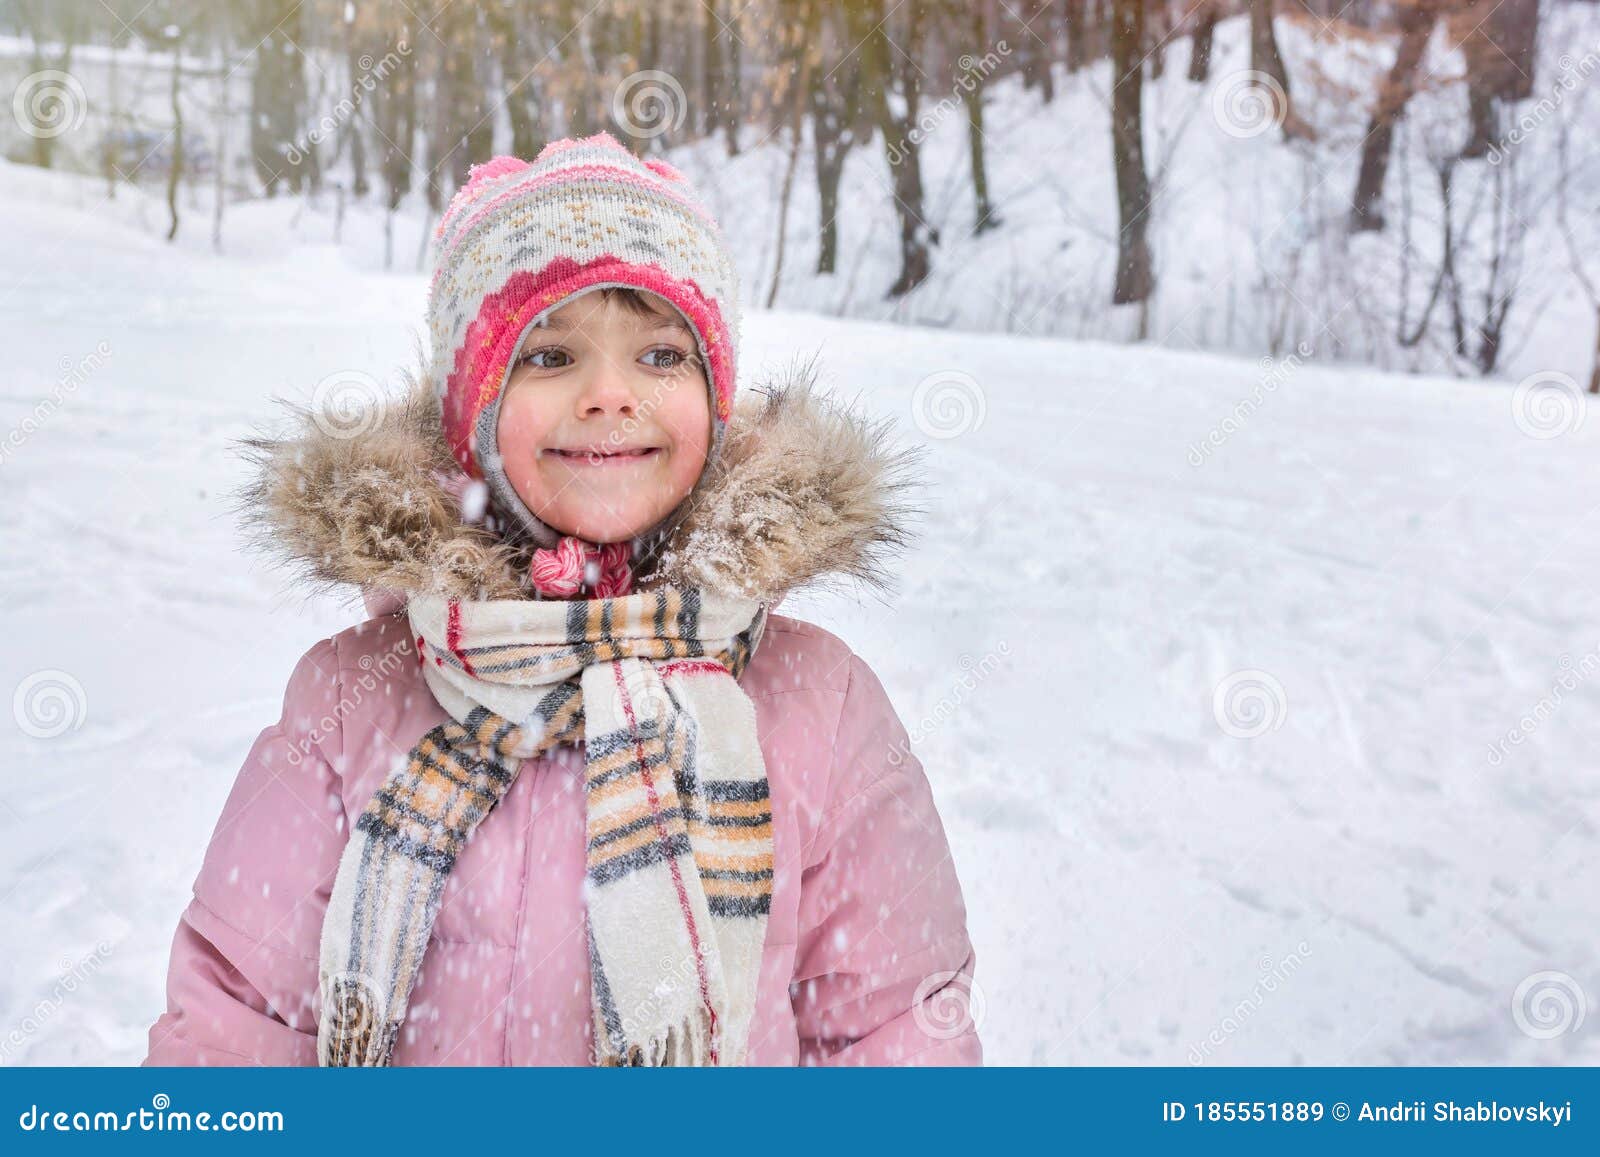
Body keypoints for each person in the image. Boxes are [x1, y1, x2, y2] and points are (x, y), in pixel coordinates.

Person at [142, 132, 981, 1067]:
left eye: (662, 354)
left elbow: (893, 1031)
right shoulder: (361, 695)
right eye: (549, 356)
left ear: (717, 395)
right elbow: (234, 1025)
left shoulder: (820, 703)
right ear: (474, 413)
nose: (609, 393)